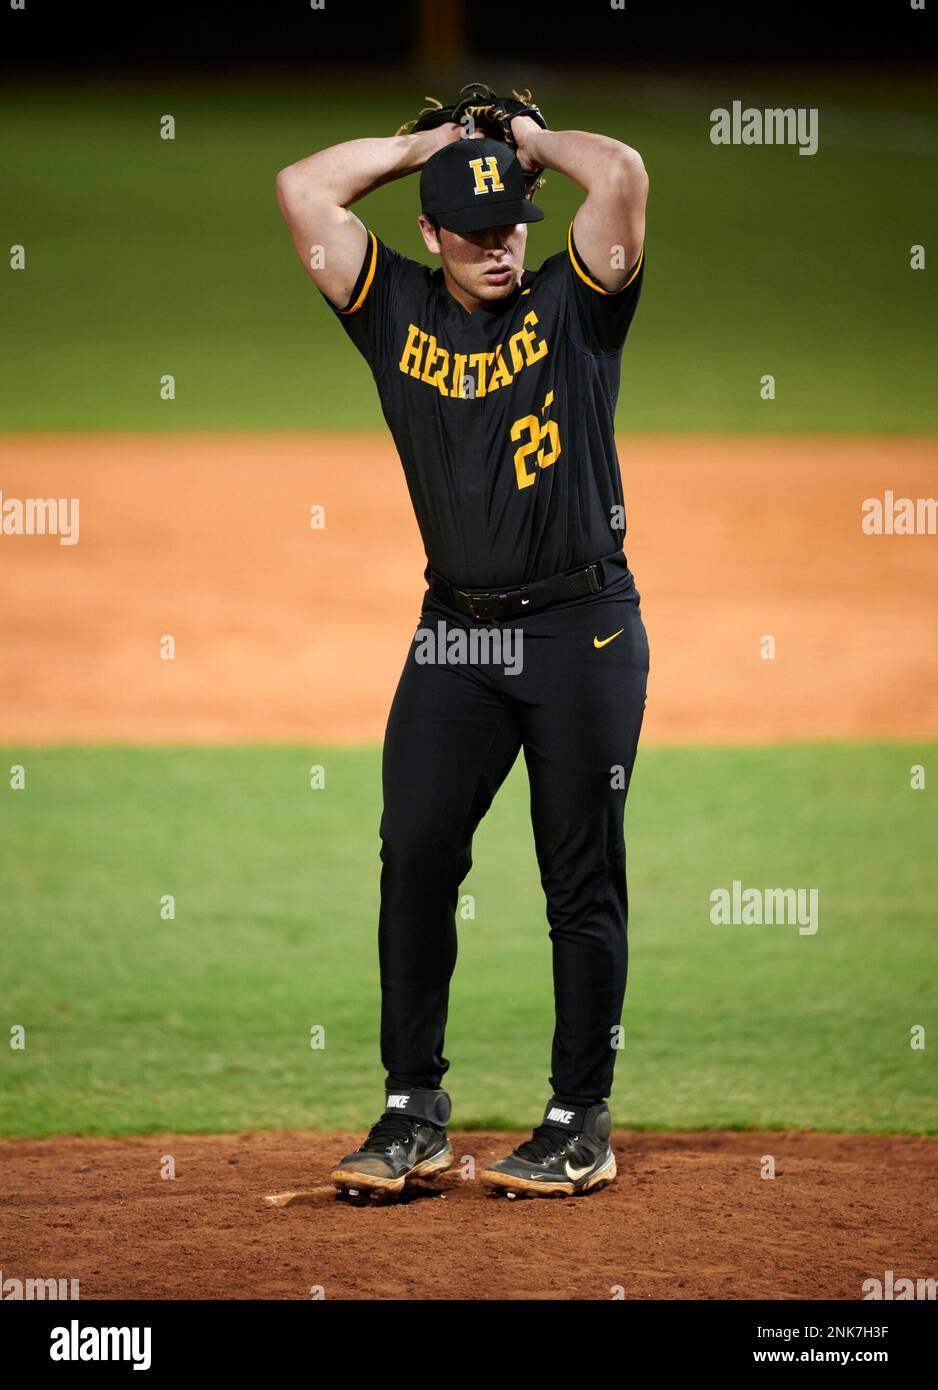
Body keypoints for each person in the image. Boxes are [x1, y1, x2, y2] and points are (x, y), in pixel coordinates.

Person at [276, 94, 649, 1198]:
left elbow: (621, 171)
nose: (499, 247)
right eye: (474, 229)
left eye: (513, 224)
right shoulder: (388, 306)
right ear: (431, 234)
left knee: (577, 880)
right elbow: (303, 188)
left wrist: (527, 146)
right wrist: (420, 151)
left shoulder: (577, 304)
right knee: (417, 855)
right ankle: (410, 1112)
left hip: (581, 627)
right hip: (452, 638)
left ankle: (578, 1117)